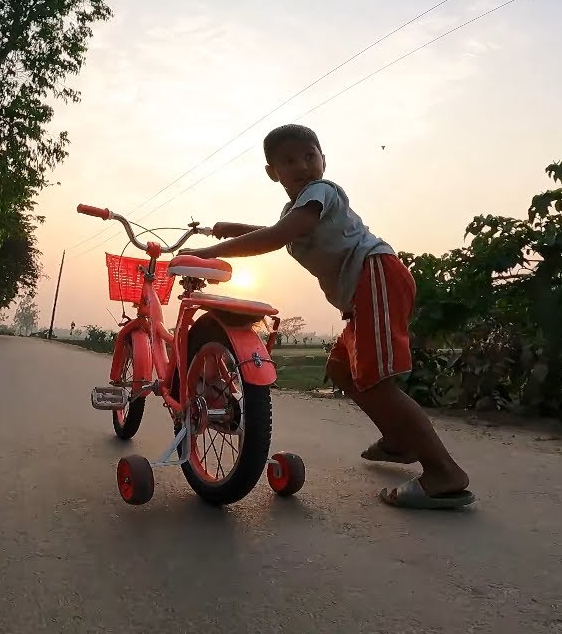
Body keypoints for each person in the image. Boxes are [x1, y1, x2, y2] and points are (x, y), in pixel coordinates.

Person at [179, 123, 474, 509]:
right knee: (342, 370)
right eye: (288, 160)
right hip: (360, 294)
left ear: (323, 160)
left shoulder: (321, 192)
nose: (302, 164)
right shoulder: (300, 211)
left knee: (377, 384)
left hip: (376, 276)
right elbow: (281, 230)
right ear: (273, 173)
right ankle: (399, 440)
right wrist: (231, 228)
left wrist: (206, 253)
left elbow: (277, 235)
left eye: (309, 156)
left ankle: (443, 473)